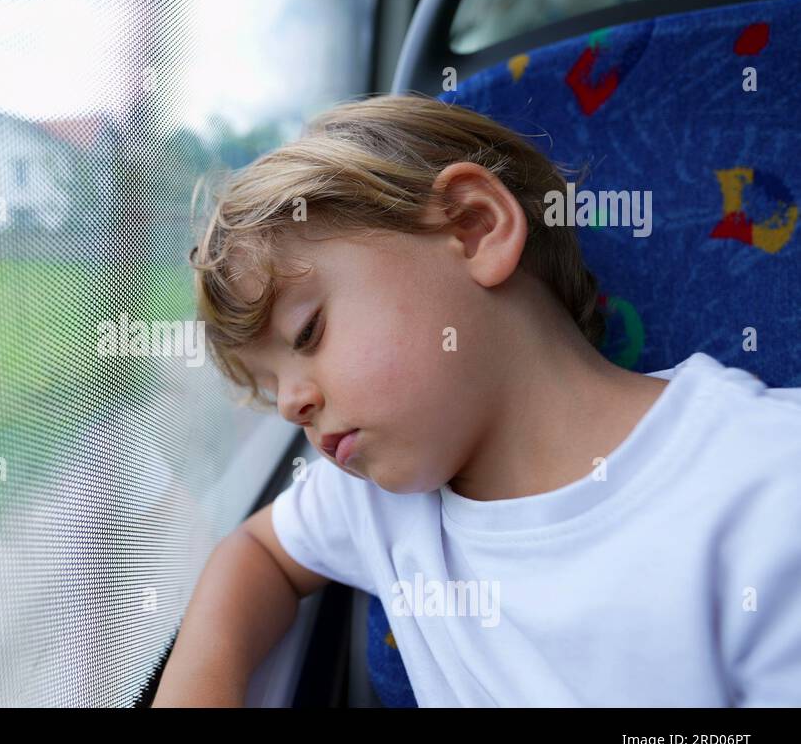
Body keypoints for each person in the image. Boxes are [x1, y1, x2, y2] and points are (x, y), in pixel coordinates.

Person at [152, 94, 801, 707]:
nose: (292, 405)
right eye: (271, 391)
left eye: (308, 332)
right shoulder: (378, 502)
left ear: (475, 227)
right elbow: (257, 552)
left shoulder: (764, 485)